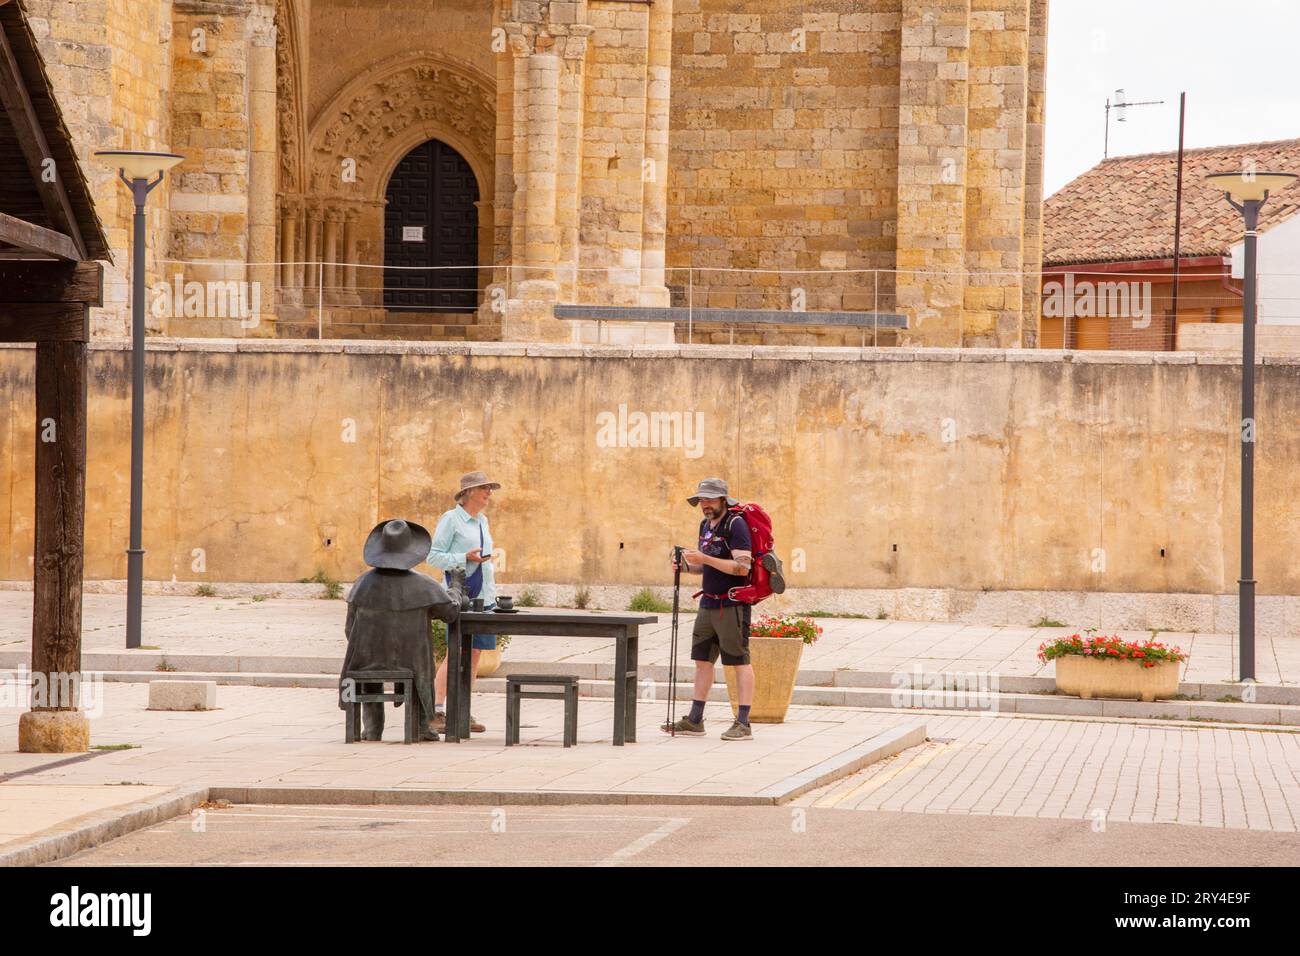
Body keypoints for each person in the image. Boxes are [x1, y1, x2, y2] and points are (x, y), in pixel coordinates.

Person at [340, 519, 463, 742]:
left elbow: (350, 630)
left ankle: (372, 727)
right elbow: (450, 613)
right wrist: (456, 586)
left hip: (366, 661)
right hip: (412, 663)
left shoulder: (362, 585)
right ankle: (422, 725)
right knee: (419, 662)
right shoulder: (424, 585)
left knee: (367, 659)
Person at [662, 477, 755, 741]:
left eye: (710, 499)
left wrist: (703, 558)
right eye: (702, 499)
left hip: (732, 604)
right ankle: (695, 720)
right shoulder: (705, 525)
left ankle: (743, 723)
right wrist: (688, 566)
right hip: (708, 602)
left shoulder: (736, 525)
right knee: (702, 660)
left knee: (738, 662)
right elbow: (708, 566)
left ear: (723, 499)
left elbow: (742, 567)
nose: (705, 504)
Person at [427, 471, 501, 734]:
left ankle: (463, 710)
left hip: (484, 598)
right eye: (484, 488)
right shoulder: (451, 519)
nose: (489, 493)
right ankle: (436, 711)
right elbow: (434, 556)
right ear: (468, 492)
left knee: (476, 654)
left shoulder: (482, 521)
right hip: (460, 597)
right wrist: (464, 557)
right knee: (455, 652)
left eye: (490, 488)